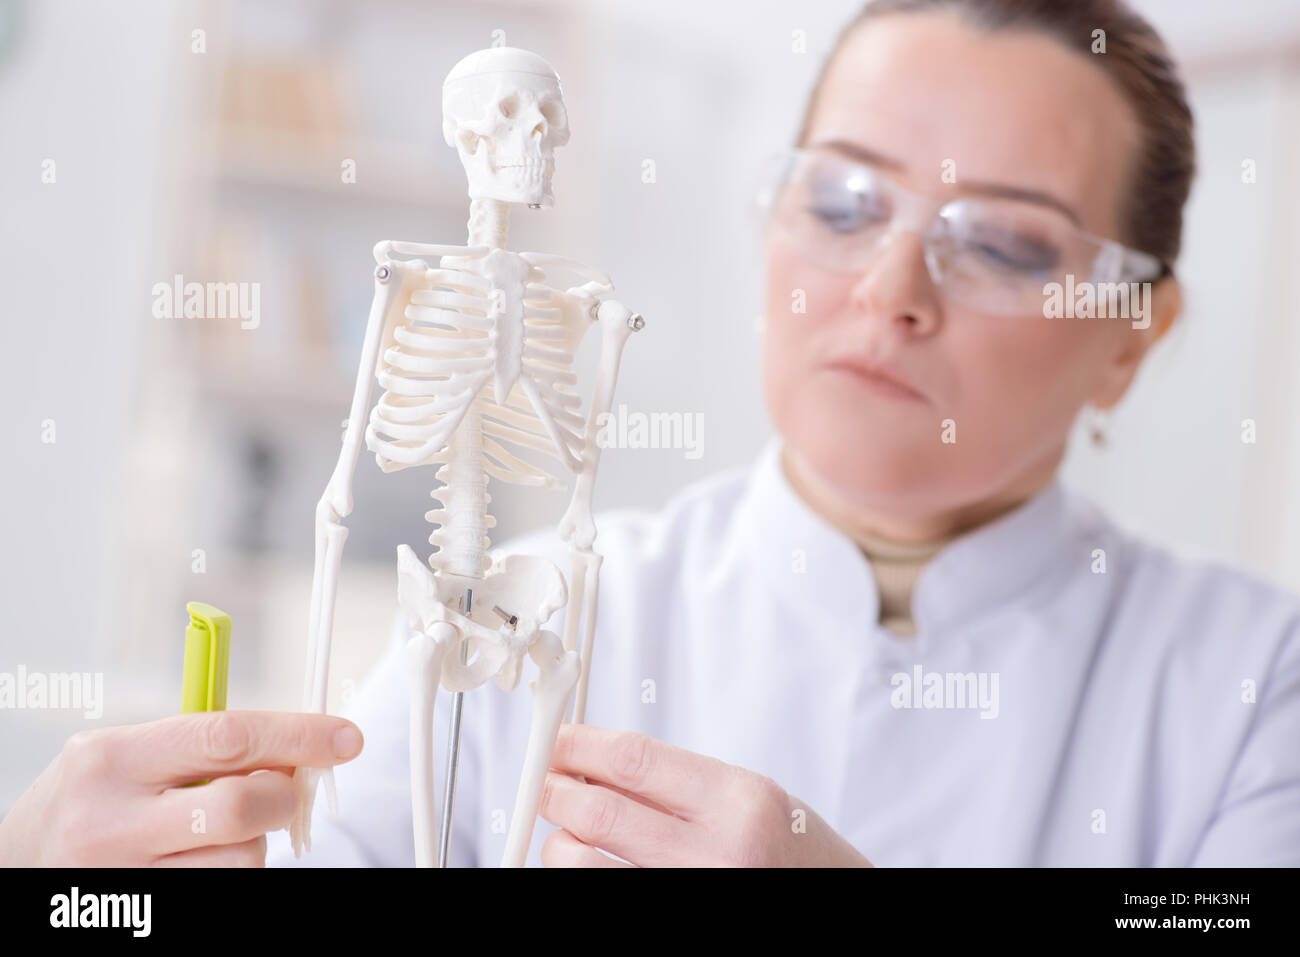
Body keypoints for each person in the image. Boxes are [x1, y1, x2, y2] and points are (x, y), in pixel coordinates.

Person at [3, 0, 1297, 867]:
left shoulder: (1253, 687)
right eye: (842, 201)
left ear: (1134, 330)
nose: (888, 291)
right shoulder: (529, 615)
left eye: (1006, 242)